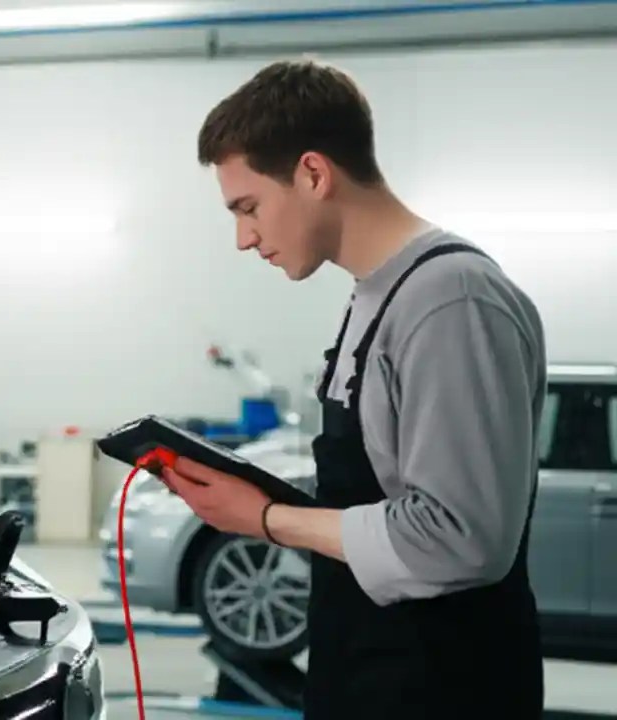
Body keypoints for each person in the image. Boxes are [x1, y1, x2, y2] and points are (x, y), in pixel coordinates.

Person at [166, 58, 546, 719]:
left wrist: (263, 520)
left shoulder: (451, 300)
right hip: (369, 674)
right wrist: (264, 496)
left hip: (443, 689)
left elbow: (459, 539)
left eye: (248, 207)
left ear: (313, 173)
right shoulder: (376, 295)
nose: (242, 238)